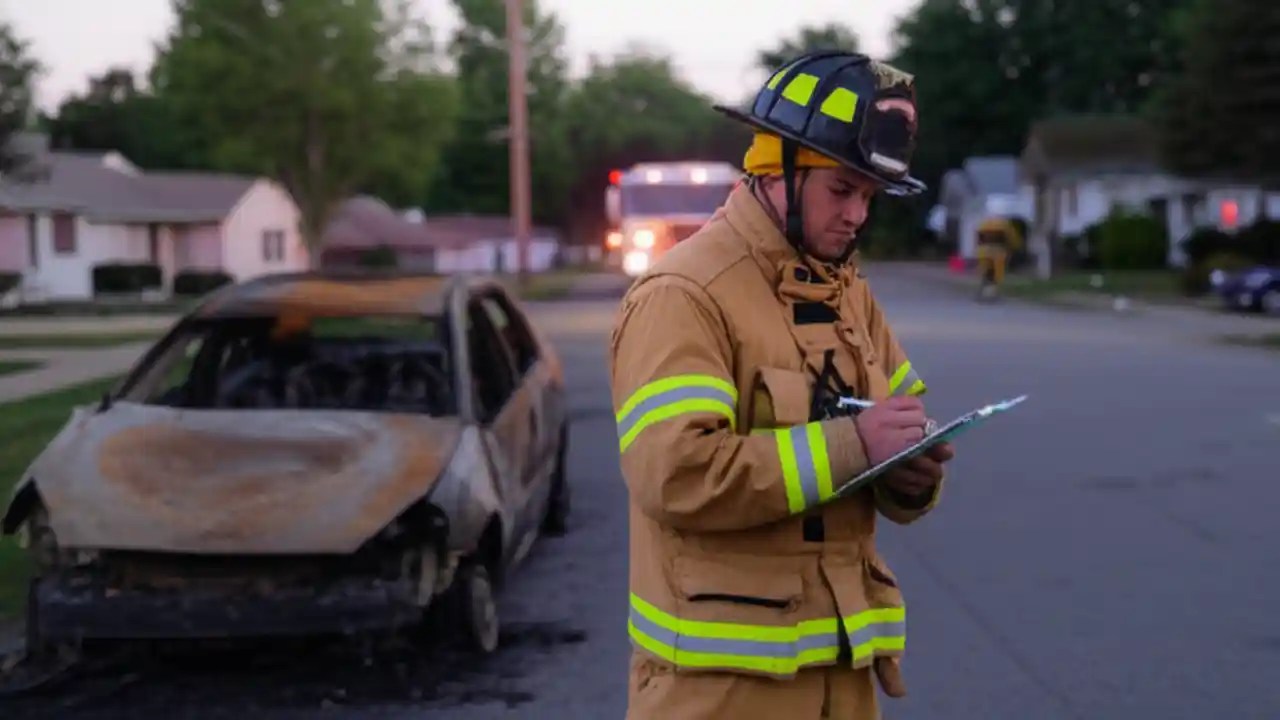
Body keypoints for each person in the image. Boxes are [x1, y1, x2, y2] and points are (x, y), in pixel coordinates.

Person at [608, 51, 956, 719]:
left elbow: (899, 422)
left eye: (870, 197)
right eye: (841, 189)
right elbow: (676, 474)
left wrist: (910, 476)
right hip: (719, 689)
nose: (857, 215)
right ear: (778, 168)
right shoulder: (683, 293)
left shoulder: (845, 288)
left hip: (839, 673)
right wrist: (855, 444)